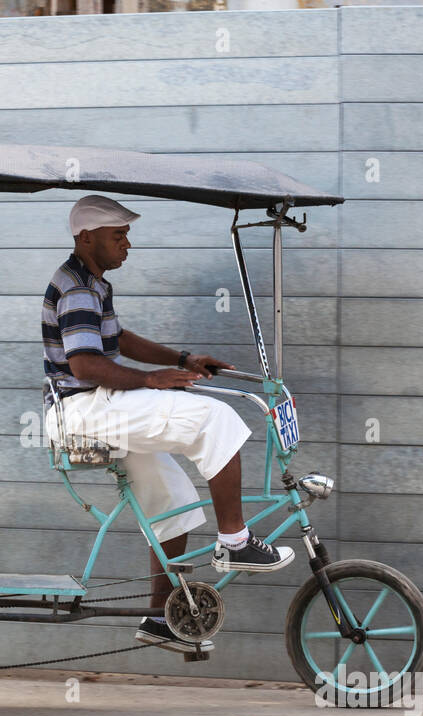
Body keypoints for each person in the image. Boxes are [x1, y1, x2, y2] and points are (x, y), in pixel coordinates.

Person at [42, 194, 294, 656]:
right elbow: (83, 365)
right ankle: (234, 540)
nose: (127, 245)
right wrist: (150, 380)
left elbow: (119, 339)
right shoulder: (77, 287)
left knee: (173, 499)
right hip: (82, 408)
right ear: (86, 238)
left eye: (127, 235)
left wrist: (183, 359)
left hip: (94, 405)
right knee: (214, 416)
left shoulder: (93, 283)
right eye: (118, 236)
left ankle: (160, 617)